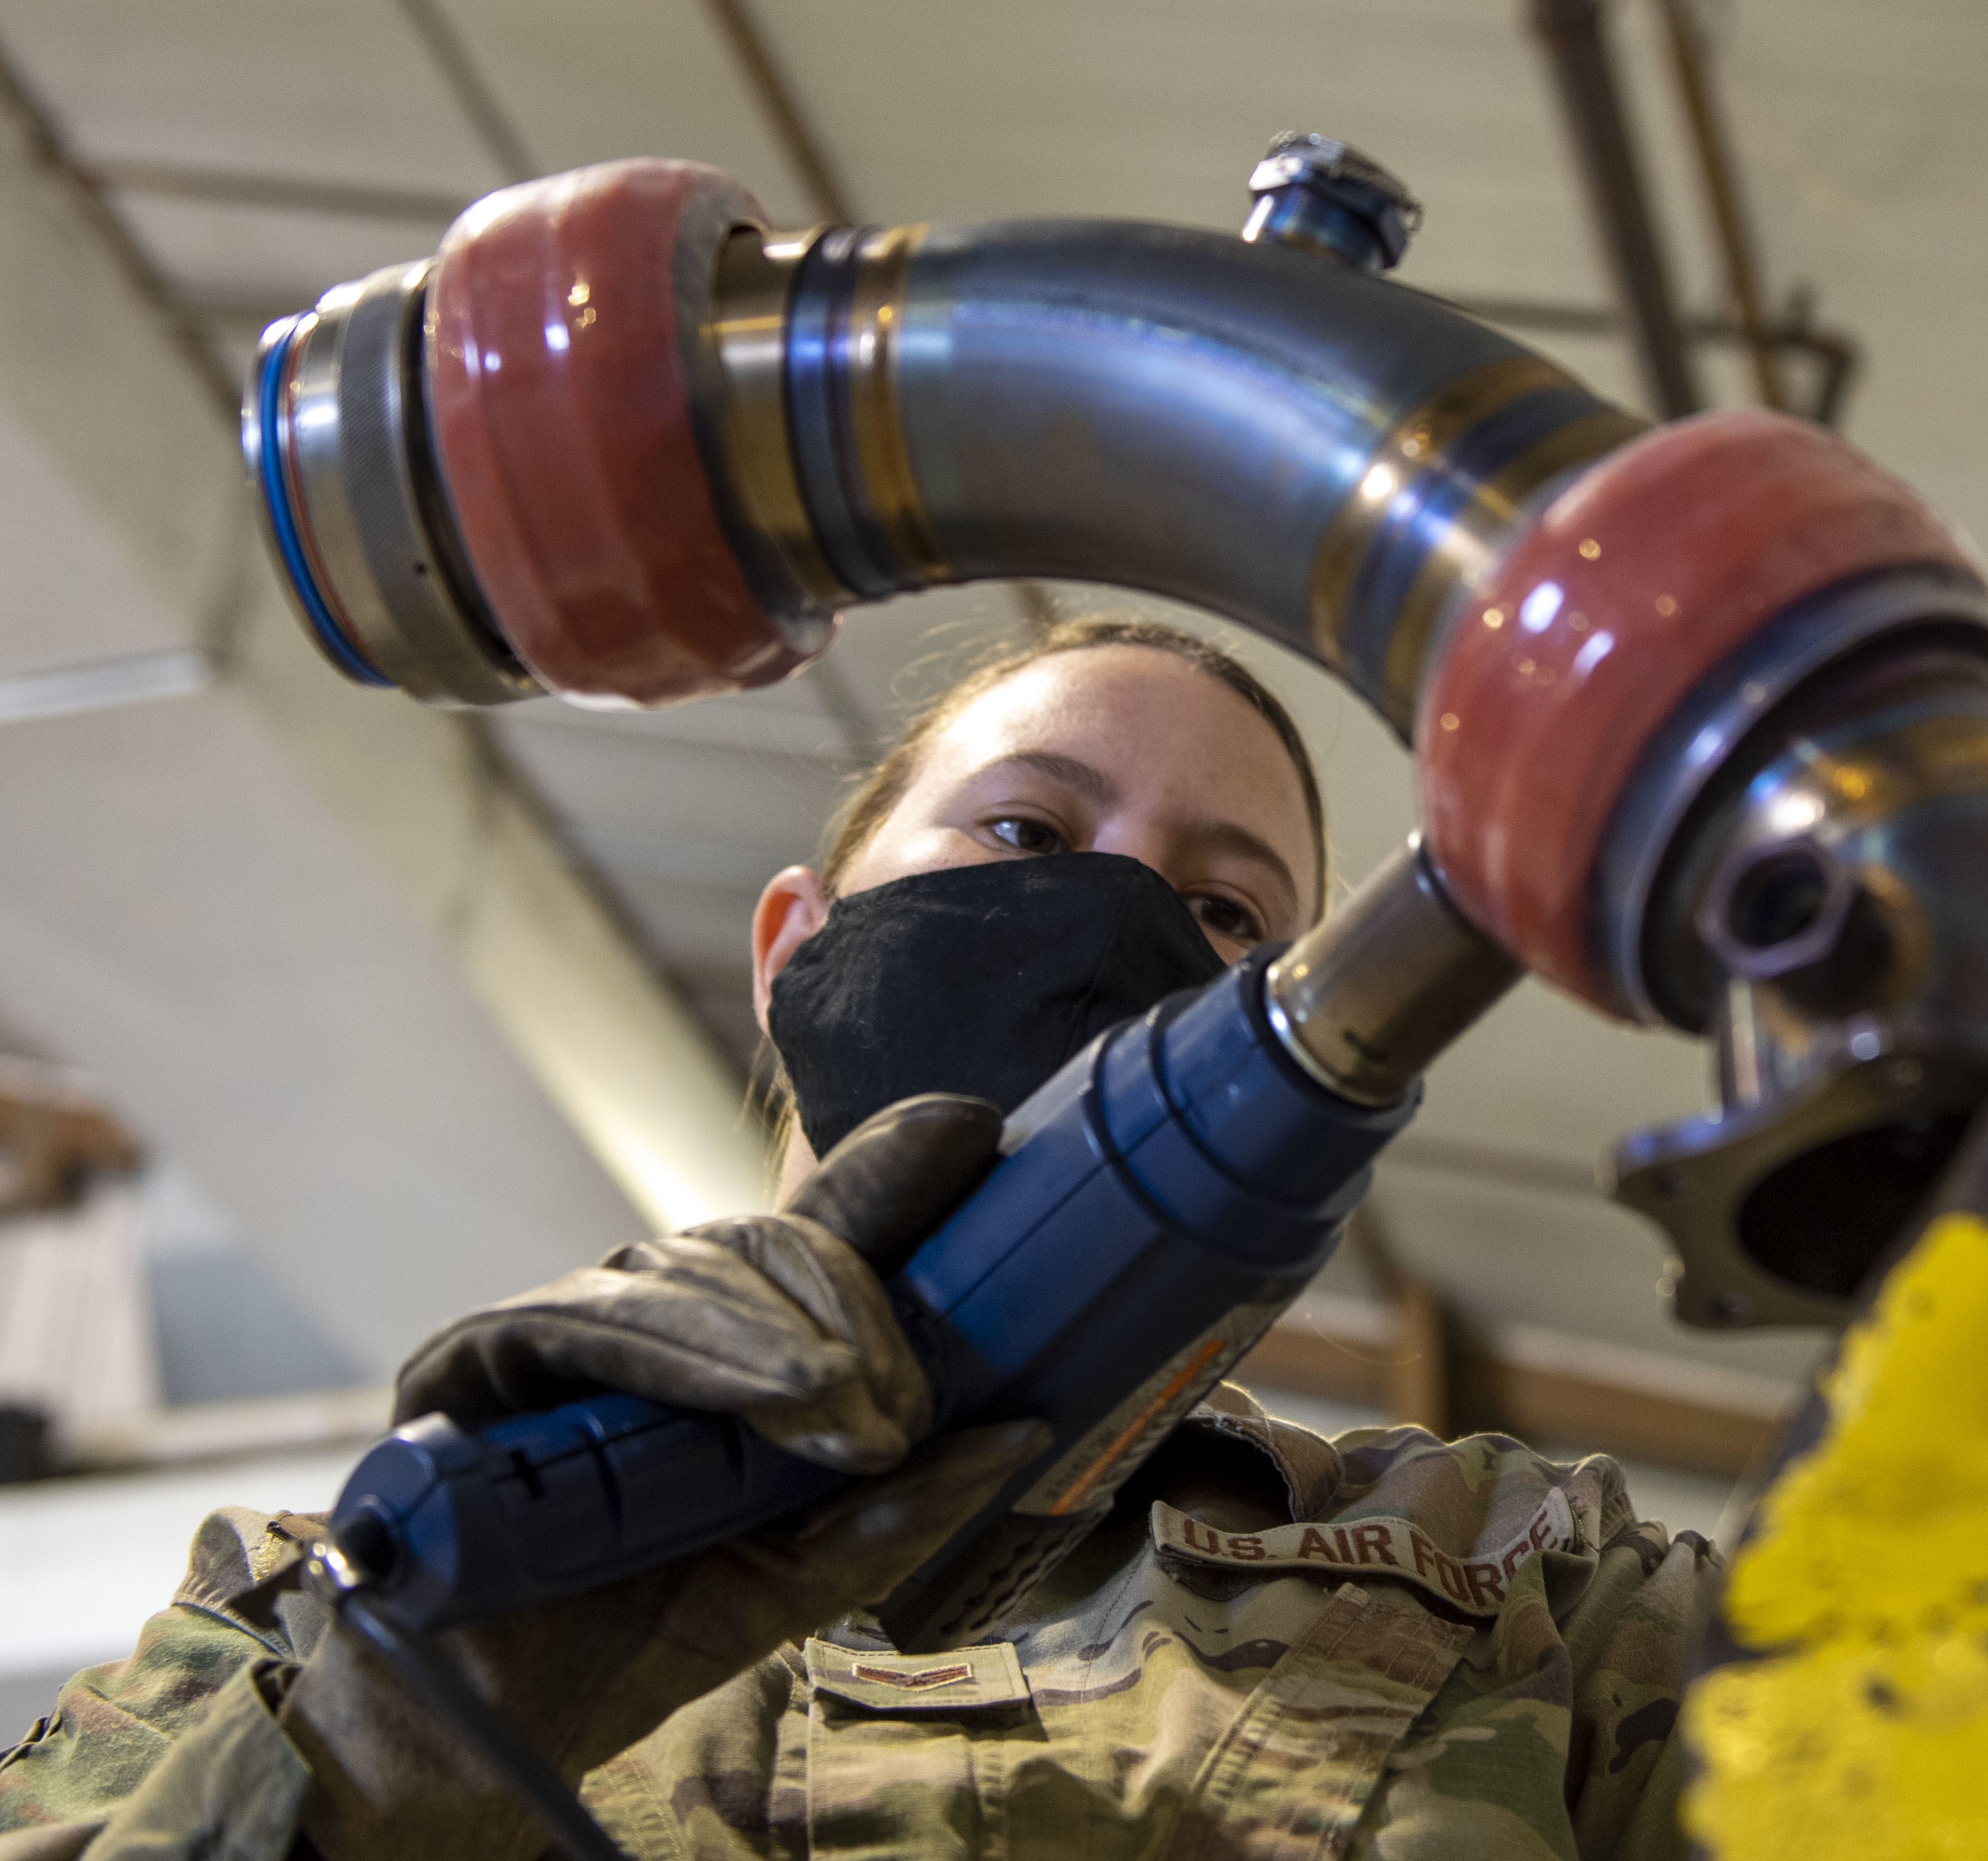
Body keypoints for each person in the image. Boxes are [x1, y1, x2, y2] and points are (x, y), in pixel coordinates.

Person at [0, 618, 1716, 1861]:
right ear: (791, 947)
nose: (1113, 916)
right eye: (1027, 831)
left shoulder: (1521, 1586)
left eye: (1223, 913)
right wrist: (410, 1713)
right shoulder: (339, 1603)